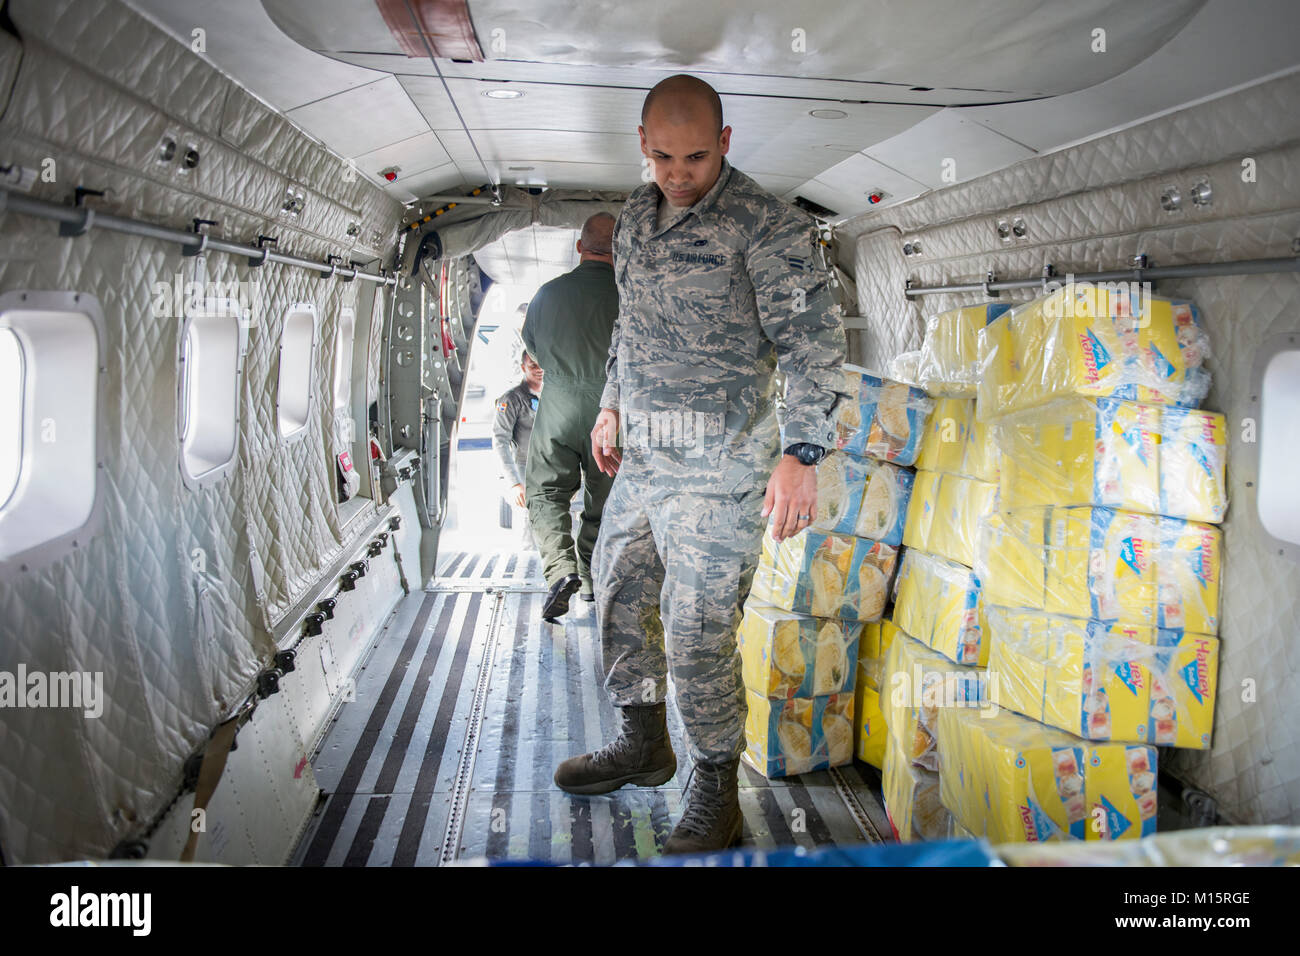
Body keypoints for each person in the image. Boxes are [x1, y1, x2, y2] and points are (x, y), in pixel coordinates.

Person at [552, 75, 849, 854]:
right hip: (645, 462)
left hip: (720, 471)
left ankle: (718, 782)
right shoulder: (636, 217)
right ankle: (643, 742)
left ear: (724, 142)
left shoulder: (766, 227)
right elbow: (631, 330)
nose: (677, 173)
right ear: (642, 148)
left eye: (693, 156)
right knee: (616, 593)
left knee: (697, 631)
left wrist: (801, 451)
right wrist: (612, 401)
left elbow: (813, 345)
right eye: (662, 157)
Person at [522, 212, 620, 623]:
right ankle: (593, 581)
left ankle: (560, 571)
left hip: (558, 407)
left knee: (546, 493)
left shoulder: (548, 293)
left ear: (579, 248)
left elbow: (534, 350)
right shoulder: (629, 295)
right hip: (612, 417)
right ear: (621, 251)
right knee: (604, 501)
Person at [491, 351, 544, 544]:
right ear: (523, 368)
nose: (538, 370)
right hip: (525, 474)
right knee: (528, 535)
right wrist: (514, 483)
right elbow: (500, 441)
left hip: (553, 473)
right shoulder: (512, 399)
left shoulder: (554, 396)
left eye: (541, 364)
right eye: (532, 366)